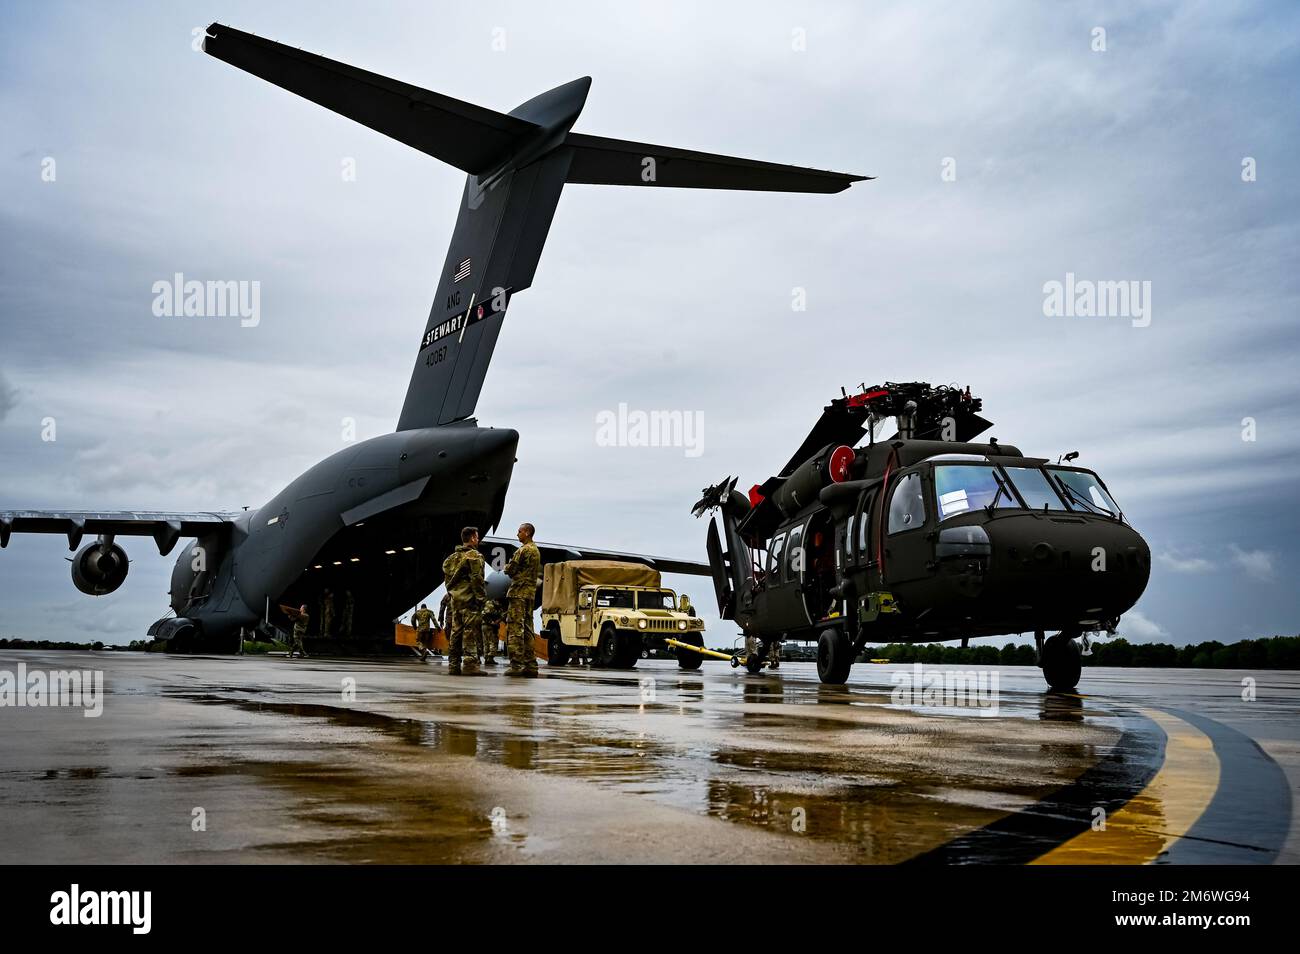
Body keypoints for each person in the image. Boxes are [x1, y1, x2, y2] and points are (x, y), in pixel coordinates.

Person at [441, 527, 488, 675]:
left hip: (455, 601)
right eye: (477, 537)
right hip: (470, 600)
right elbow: (477, 579)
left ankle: (453, 665)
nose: (478, 540)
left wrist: (454, 594)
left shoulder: (450, 559)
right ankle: (470, 665)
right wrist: (481, 598)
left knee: (456, 633)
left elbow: (447, 582)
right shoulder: (475, 556)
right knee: (470, 632)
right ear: (472, 538)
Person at [502, 523, 541, 677]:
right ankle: (531, 664)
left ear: (526, 532)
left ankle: (516, 665)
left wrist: (506, 567)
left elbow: (510, 569)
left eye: (519, 531)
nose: (517, 534)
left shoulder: (523, 550)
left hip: (518, 593)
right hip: (530, 594)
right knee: (528, 629)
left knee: (515, 629)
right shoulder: (536, 551)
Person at [482, 598, 503, 665]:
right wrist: (492, 622)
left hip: (486, 626)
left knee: (486, 643)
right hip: (489, 626)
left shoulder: (496, 606)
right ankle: (490, 657)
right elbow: (484, 615)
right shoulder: (490, 604)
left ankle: (487, 658)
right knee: (493, 642)